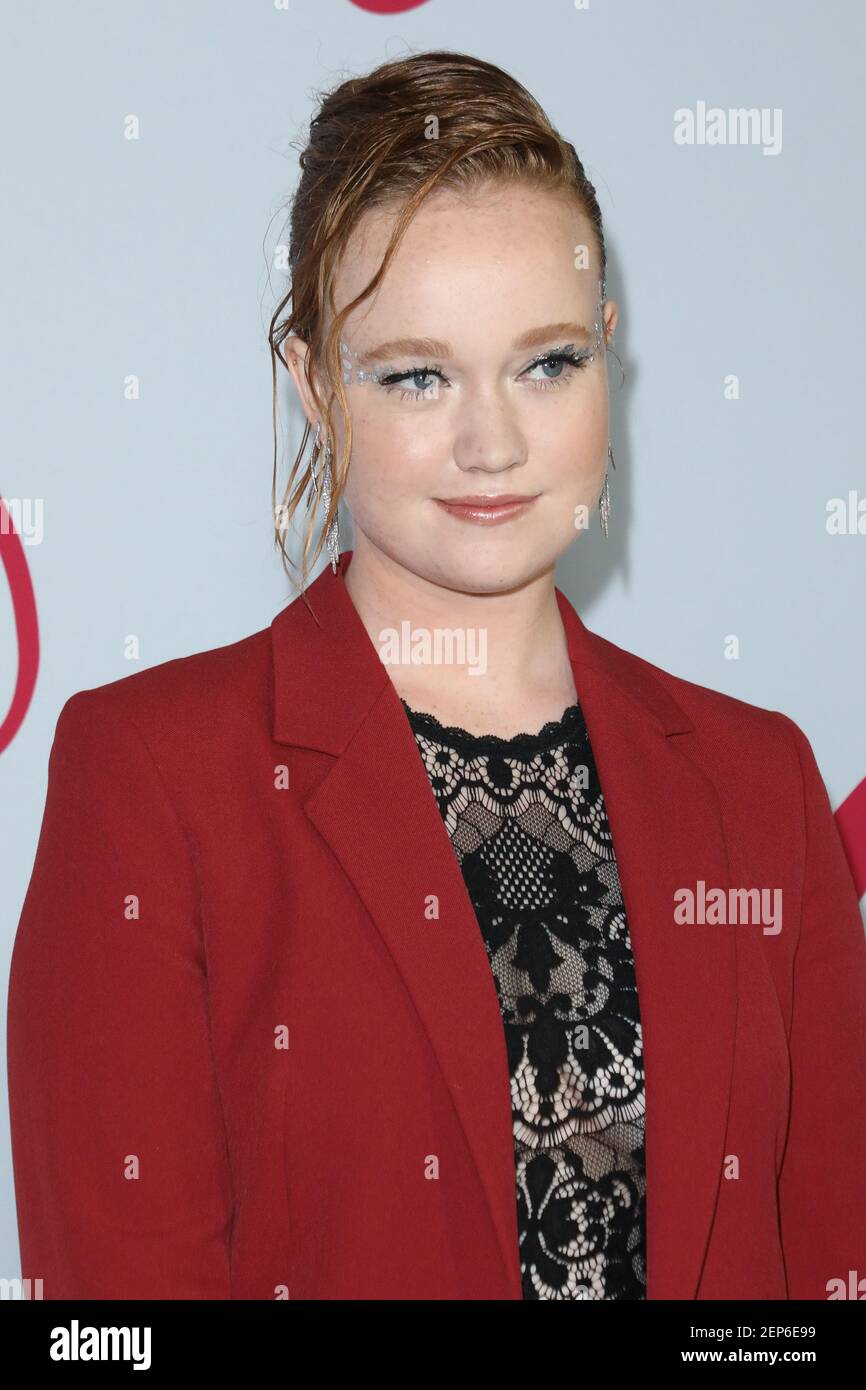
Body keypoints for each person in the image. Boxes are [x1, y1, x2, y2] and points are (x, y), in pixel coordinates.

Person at [7, 49, 866, 1302]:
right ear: (311, 383)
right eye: (416, 374)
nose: (493, 442)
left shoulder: (755, 778)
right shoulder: (153, 778)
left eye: (545, 362)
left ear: (606, 354)